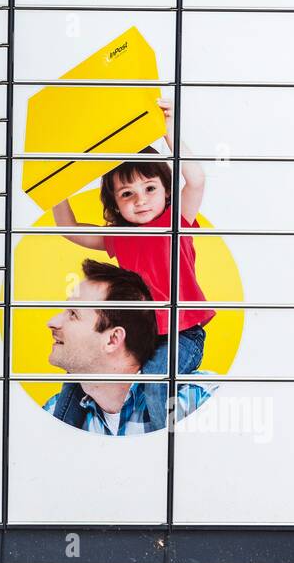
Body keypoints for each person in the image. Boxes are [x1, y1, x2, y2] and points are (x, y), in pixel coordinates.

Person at [51, 98, 214, 430]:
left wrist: (169, 129)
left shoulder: (175, 219)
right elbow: (69, 230)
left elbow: (195, 179)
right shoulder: (119, 237)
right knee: (77, 379)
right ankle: (60, 440)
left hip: (181, 335)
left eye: (149, 188)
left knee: (155, 379)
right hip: (140, 335)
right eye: (127, 194)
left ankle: (159, 447)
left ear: (167, 191)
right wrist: (56, 184)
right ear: (115, 204)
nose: (140, 200)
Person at [42, 259, 210, 435]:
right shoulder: (53, 414)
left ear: (113, 339)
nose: (52, 322)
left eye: (73, 314)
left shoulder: (199, 404)